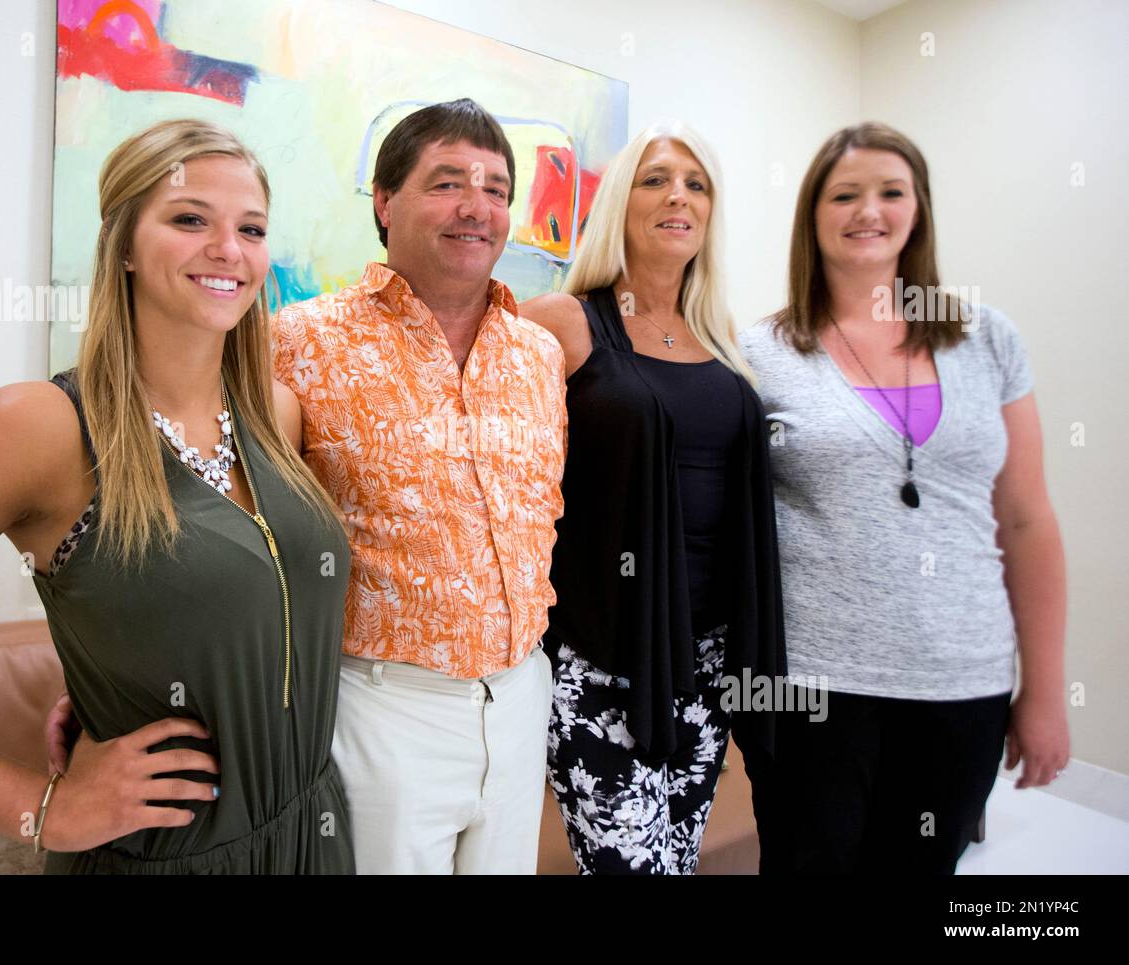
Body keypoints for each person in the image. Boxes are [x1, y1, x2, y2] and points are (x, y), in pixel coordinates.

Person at [0, 118, 355, 874]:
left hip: (311, 830)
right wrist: (41, 808)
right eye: (188, 219)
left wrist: (119, 672)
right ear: (125, 246)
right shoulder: (37, 428)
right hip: (168, 858)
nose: (229, 250)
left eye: (251, 227)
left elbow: (237, 607)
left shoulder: (277, 412)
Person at [738, 121, 1070, 874]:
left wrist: (1045, 691)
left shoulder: (988, 339)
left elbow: (1027, 519)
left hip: (963, 685)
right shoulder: (761, 352)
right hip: (810, 691)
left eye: (892, 192)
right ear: (812, 215)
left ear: (918, 208)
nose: (870, 211)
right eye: (845, 194)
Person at [270, 98, 568, 874]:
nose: (477, 207)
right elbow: (234, 530)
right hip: (380, 707)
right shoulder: (297, 340)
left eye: (497, 188)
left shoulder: (538, 354)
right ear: (384, 199)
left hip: (520, 696)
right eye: (447, 182)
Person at [520, 122, 785, 874]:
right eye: (656, 179)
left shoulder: (720, 335)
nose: (679, 197)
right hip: (603, 660)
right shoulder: (562, 323)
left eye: (697, 185)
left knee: (677, 858)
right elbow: (504, 480)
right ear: (619, 205)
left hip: (707, 659)